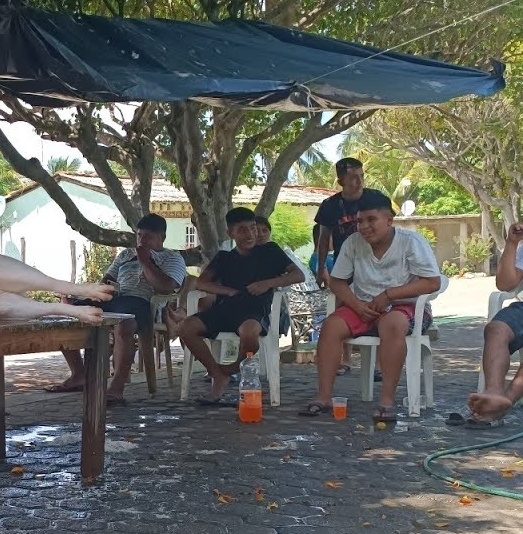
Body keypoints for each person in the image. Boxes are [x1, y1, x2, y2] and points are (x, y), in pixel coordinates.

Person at [299, 191, 441, 422]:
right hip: (363, 306)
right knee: (331, 326)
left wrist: (389, 295)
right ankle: (323, 397)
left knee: (391, 325)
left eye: (371, 219)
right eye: (359, 221)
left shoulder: (411, 242)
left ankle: (386, 400)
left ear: (389, 220)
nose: (364, 227)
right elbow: (337, 282)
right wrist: (356, 305)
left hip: (406, 307)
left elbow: (432, 282)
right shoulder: (353, 243)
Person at [44, 213, 186, 405]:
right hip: (117, 298)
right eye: (139, 235)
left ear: (162, 237)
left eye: (148, 237)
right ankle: (79, 374)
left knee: (124, 322)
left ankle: (117, 388)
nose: (142, 241)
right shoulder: (126, 255)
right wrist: (100, 290)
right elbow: (107, 280)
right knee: (65, 311)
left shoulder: (172, 258)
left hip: (143, 303)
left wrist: (145, 261)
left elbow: (166, 287)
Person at [176, 208, 304, 404]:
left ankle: (229, 370)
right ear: (231, 233)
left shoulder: (270, 251)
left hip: (254, 311)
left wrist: (267, 283)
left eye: (253, 228)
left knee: (249, 332)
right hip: (224, 310)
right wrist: (227, 291)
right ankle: (216, 372)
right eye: (242, 230)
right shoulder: (224, 257)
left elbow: (298, 275)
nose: (250, 234)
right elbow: (202, 283)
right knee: (185, 328)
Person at [460, 185, 523, 428]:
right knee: (496, 328)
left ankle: (504, 402)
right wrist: (512, 243)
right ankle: (493, 391)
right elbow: (505, 284)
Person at [314, 157, 384, 378]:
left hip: (375, 261)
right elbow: (323, 239)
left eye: (361, 175)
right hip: (344, 263)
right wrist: (321, 268)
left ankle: (380, 364)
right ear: (340, 181)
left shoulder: (375, 198)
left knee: (380, 306)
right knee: (341, 307)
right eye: (353, 177)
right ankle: (345, 359)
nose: (359, 181)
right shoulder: (330, 205)